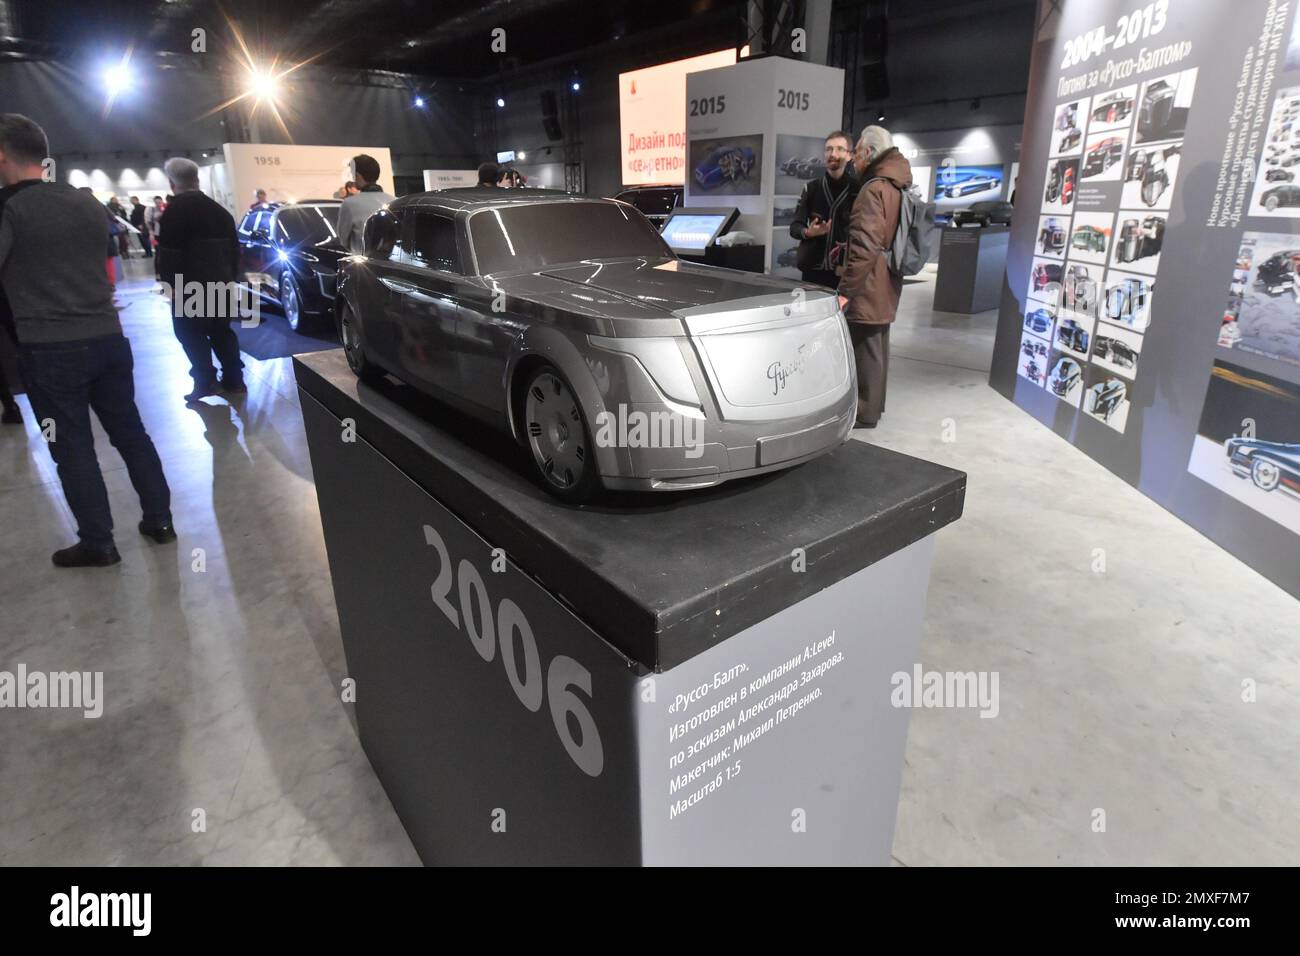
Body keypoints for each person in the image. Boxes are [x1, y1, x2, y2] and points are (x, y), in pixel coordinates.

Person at [0, 114, 173, 567]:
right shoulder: (86, 202)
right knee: (131, 432)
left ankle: (99, 542)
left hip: (49, 348)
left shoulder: (9, 209)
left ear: (2, 156)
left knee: (71, 447)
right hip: (109, 340)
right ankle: (160, 521)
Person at [837, 125, 913, 429]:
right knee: (878, 345)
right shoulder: (896, 184)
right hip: (888, 278)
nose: (853, 160)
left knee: (865, 347)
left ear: (868, 153)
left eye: (855, 153)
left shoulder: (873, 189)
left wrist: (846, 289)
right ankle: (874, 408)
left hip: (869, 283)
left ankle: (864, 412)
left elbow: (864, 246)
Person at [156, 156, 243, 402]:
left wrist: (168, 286)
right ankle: (235, 381)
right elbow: (235, 251)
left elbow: (169, 256)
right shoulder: (220, 212)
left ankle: (205, 381)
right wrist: (231, 279)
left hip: (188, 286)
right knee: (222, 332)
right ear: (197, 179)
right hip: (221, 284)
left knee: (189, 333)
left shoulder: (173, 214)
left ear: (172, 183)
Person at [789, 131, 858, 287]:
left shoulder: (858, 190)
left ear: (849, 155)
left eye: (839, 149)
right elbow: (795, 227)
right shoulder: (811, 188)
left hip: (845, 274)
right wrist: (808, 232)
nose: (833, 154)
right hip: (812, 274)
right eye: (828, 149)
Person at [336, 154, 394, 254]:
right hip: (392, 264)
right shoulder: (394, 201)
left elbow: (343, 241)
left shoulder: (350, 204)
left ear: (357, 175)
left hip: (363, 265)